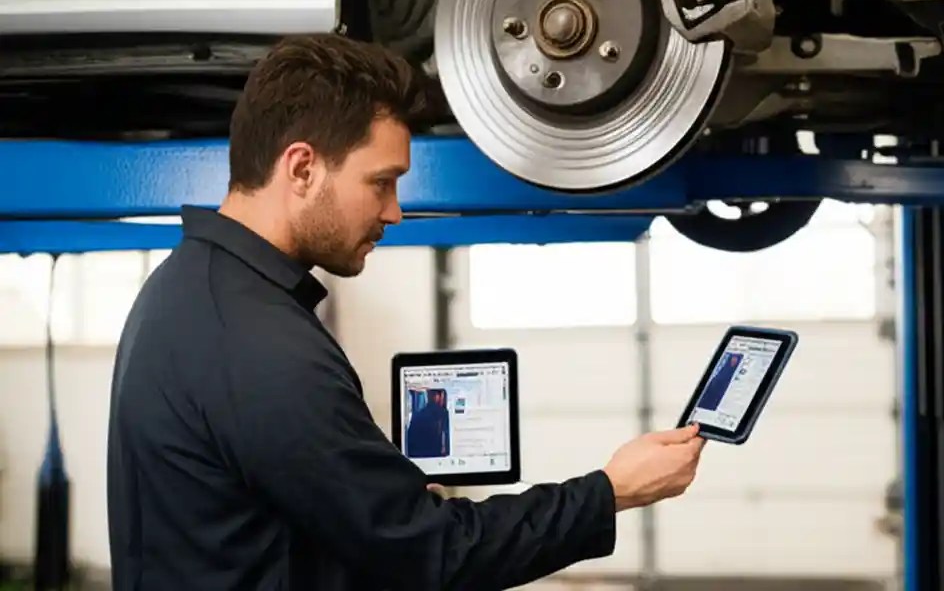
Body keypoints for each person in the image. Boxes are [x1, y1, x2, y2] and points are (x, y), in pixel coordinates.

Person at [106, 33, 706, 590]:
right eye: (382, 182)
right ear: (302, 169)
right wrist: (610, 492)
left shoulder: (186, 290)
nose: (394, 212)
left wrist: (368, 477)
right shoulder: (258, 341)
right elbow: (427, 552)